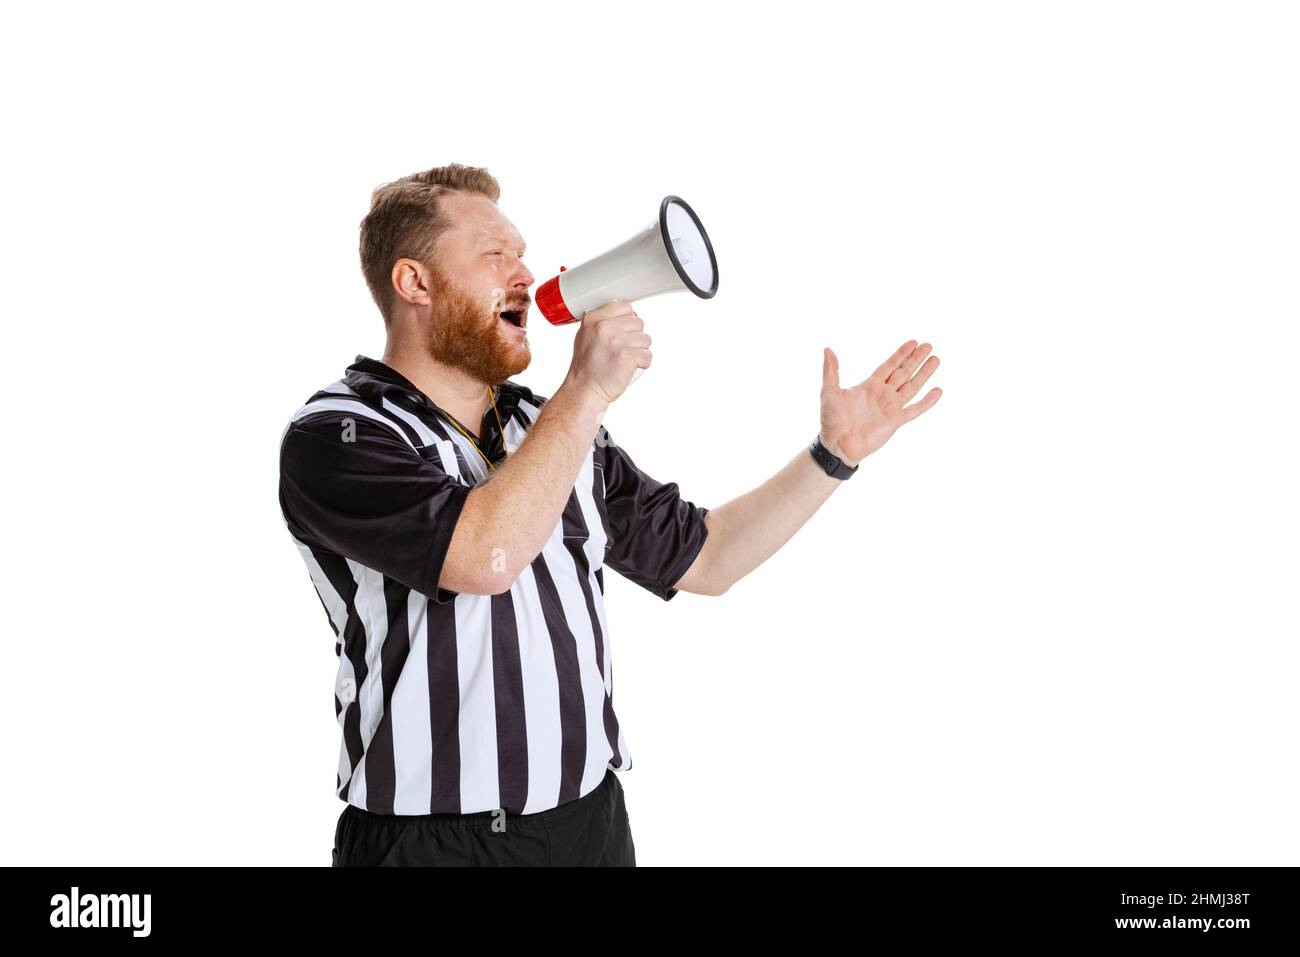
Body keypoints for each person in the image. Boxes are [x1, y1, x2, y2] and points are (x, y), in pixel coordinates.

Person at [277, 163, 943, 866]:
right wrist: (587, 388)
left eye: (523, 254)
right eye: (494, 255)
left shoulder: (551, 426)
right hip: (429, 846)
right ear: (414, 282)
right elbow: (483, 556)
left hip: (588, 827)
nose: (524, 277)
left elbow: (707, 556)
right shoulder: (337, 434)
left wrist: (832, 455)